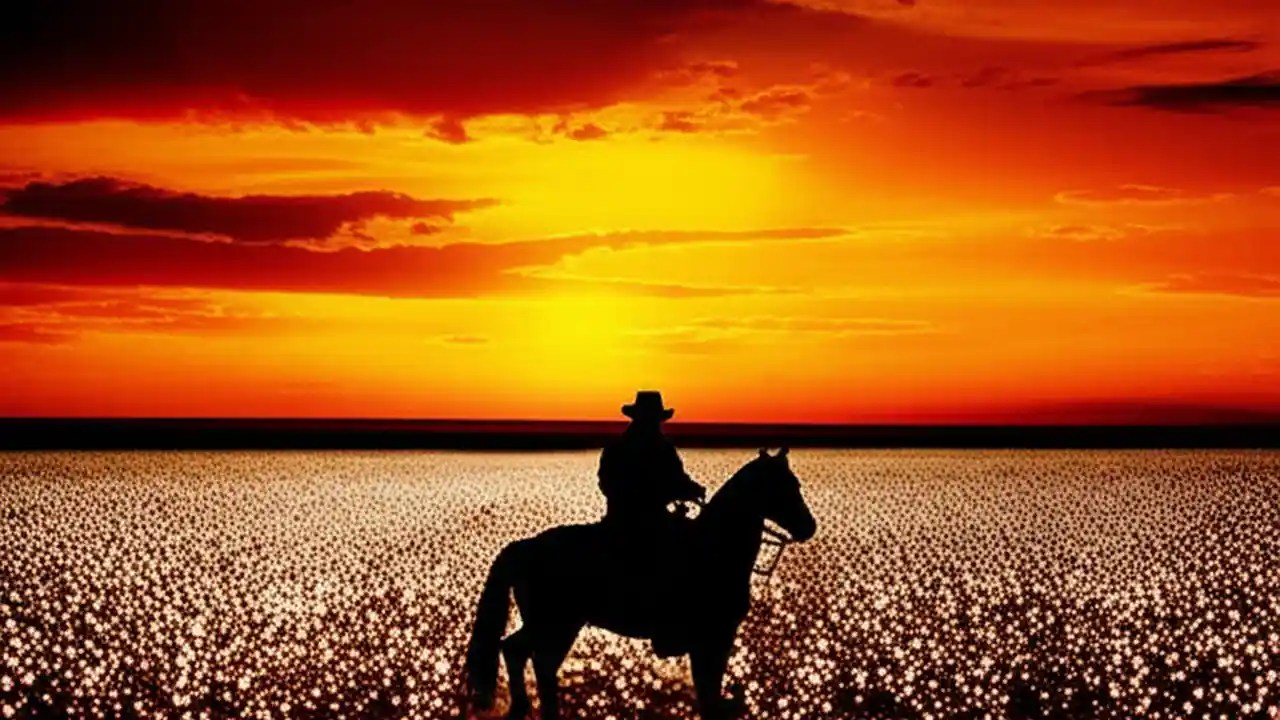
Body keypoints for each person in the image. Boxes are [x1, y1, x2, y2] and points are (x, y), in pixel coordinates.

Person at [597, 390, 705, 657]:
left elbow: (677, 478)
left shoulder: (640, 447)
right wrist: (668, 492)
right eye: (652, 418)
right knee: (677, 560)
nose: (654, 424)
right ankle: (666, 627)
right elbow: (612, 485)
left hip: (641, 518)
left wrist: (690, 488)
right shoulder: (631, 449)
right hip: (636, 521)